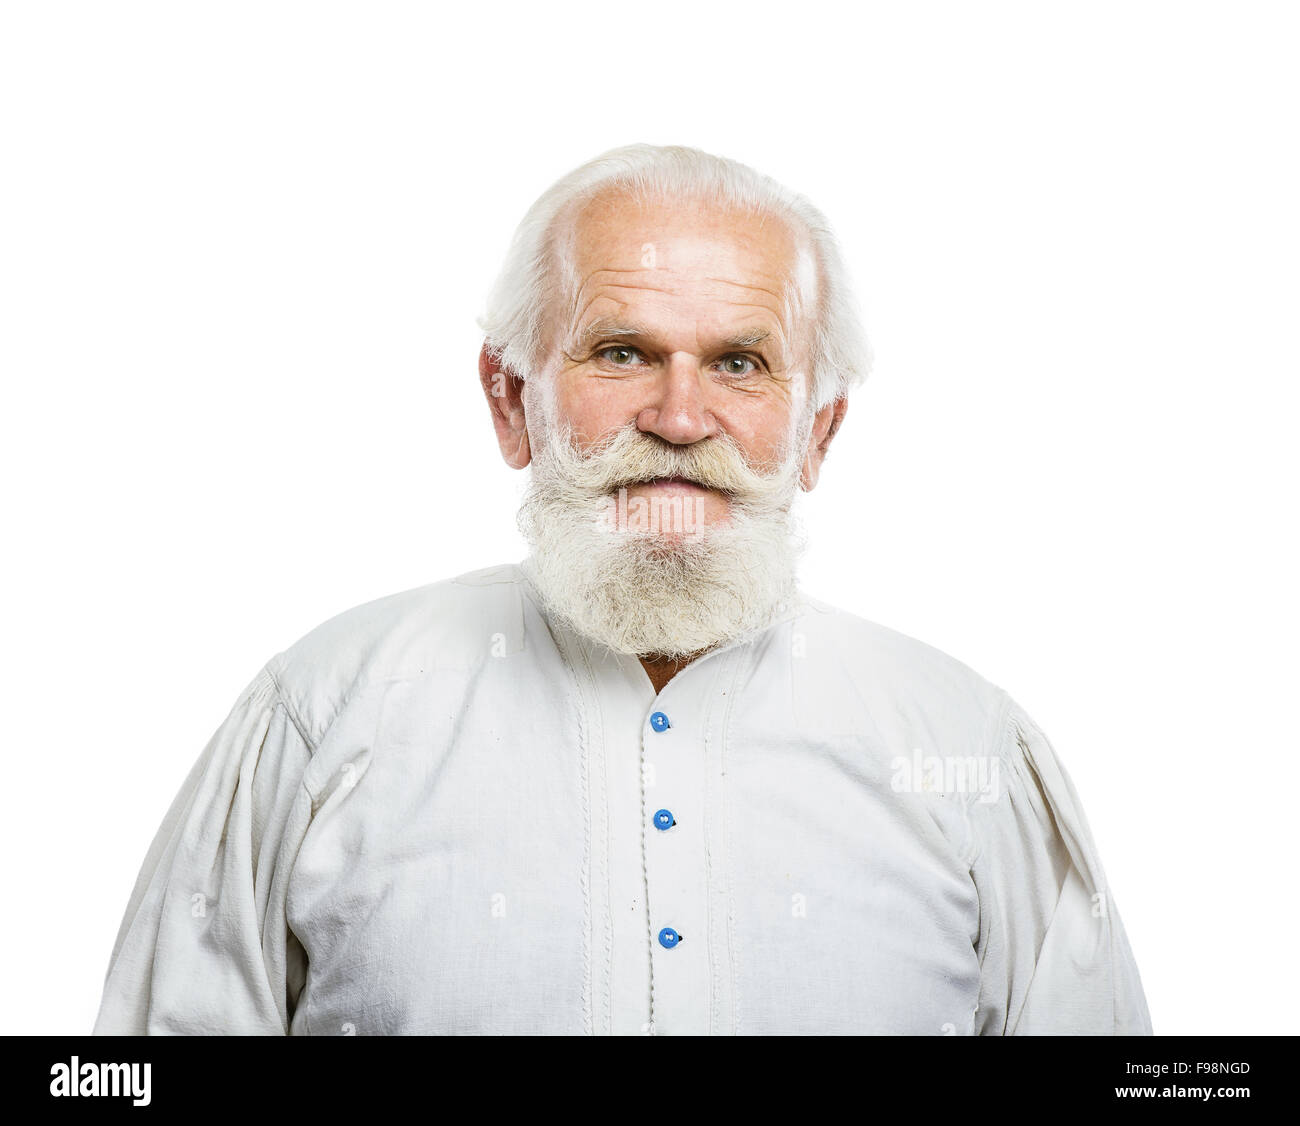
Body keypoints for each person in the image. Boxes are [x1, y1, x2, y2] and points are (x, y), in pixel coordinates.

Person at [93, 143, 1151, 1035]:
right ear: (511, 401)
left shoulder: (968, 750)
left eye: (740, 363)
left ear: (817, 431)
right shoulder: (320, 716)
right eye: (622, 352)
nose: (680, 419)